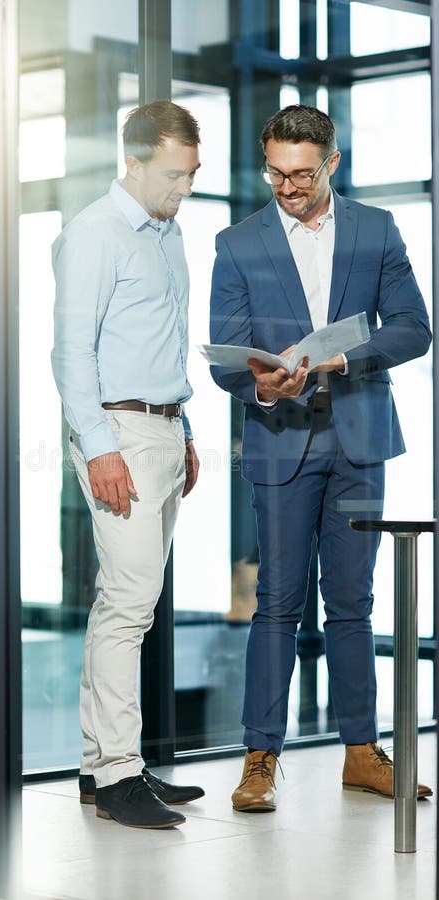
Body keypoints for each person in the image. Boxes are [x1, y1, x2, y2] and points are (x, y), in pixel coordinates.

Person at [209, 104, 432, 812]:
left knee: (353, 604)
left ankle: (361, 753)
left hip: (359, 440)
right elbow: (225, 357)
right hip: (280, 440)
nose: (287, 185)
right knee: (275, 602)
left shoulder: (377, 229)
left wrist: (340, 358)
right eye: (275, 171)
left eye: (301, 173)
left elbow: (412, 329)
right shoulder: (236, 242)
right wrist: (258, 381)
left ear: (331, 163)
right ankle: (259, 759)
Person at [51, 100, 205, 829]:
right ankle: (117, 776)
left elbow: (162, 345)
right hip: (116, 432)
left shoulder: (167, 235)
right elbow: (71, 352)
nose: (184, 188)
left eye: (192, 174)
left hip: (164, 431)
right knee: (130, 604)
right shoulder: (94, 233)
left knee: (127, 601)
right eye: (174, 175)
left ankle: (101, 765)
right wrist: (102, 445)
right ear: (133, 161)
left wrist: (188, 431)